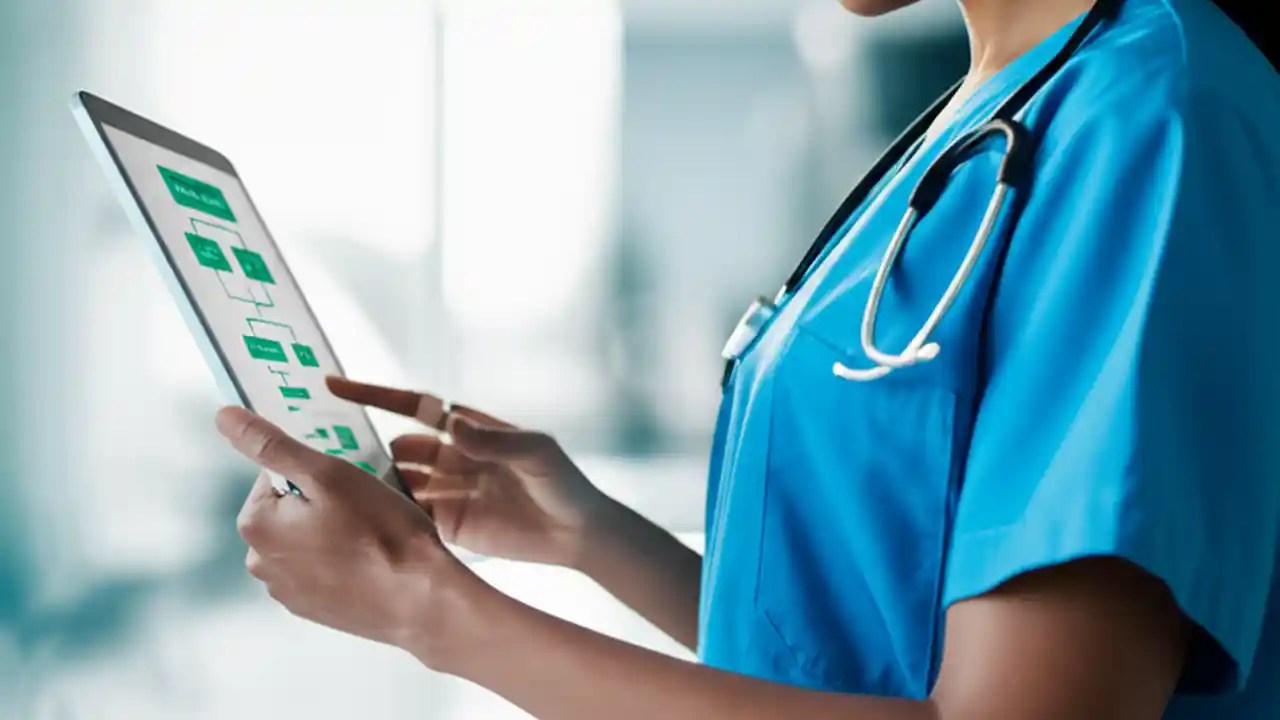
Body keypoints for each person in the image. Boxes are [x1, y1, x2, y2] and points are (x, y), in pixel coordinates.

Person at [217, 0, 1280, 717]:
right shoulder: (982, 111)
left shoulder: (1151, 119)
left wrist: (425, 606)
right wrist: (594, 536)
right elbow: (865, 645)